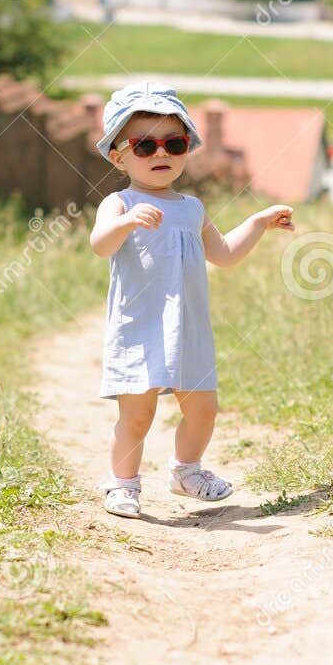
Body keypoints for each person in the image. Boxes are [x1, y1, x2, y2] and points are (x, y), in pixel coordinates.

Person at [89, 81, 294, 519]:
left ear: (187, 149)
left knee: (203, 408)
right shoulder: (119, 202)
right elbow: (100, 246)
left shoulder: (192, 207)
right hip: (139, 326)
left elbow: (224, 255)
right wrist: (125, 224)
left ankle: (187, 471)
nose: (161, 154)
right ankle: (122, 484)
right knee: (138, 415)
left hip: (189, 327)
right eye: (144, 145)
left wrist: (257, 224)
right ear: (118, 155)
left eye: (174, 143)